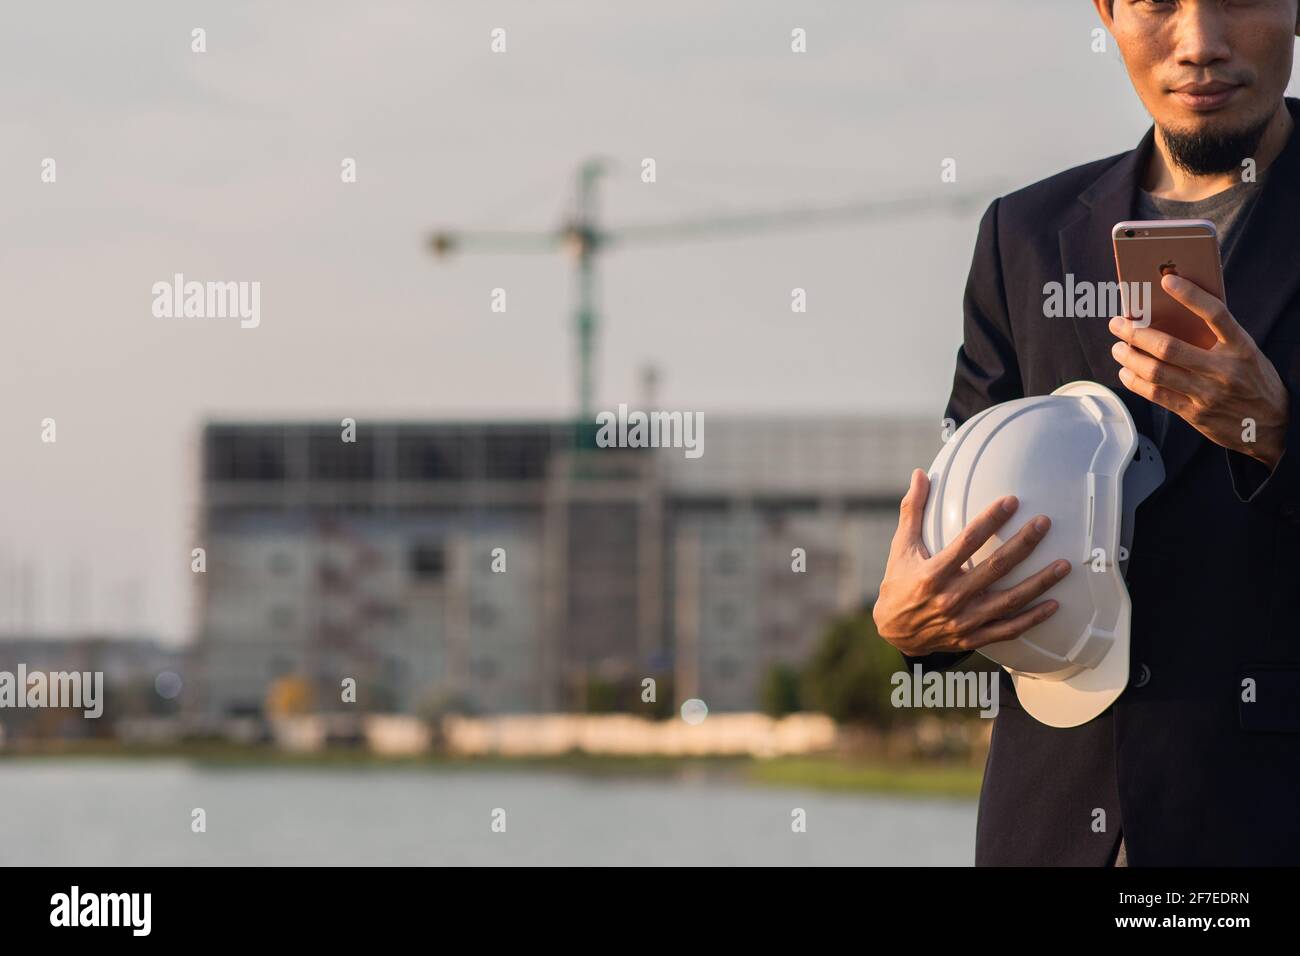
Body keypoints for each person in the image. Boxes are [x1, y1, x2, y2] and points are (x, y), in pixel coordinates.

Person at [873, 0, 1300, 865]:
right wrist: (920, 625)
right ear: (1107, 11)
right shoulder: (1023, 237)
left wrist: (1277, 434)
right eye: (1158, 4)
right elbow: (969, 515)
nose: (1200, 44)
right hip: (1051, 823)